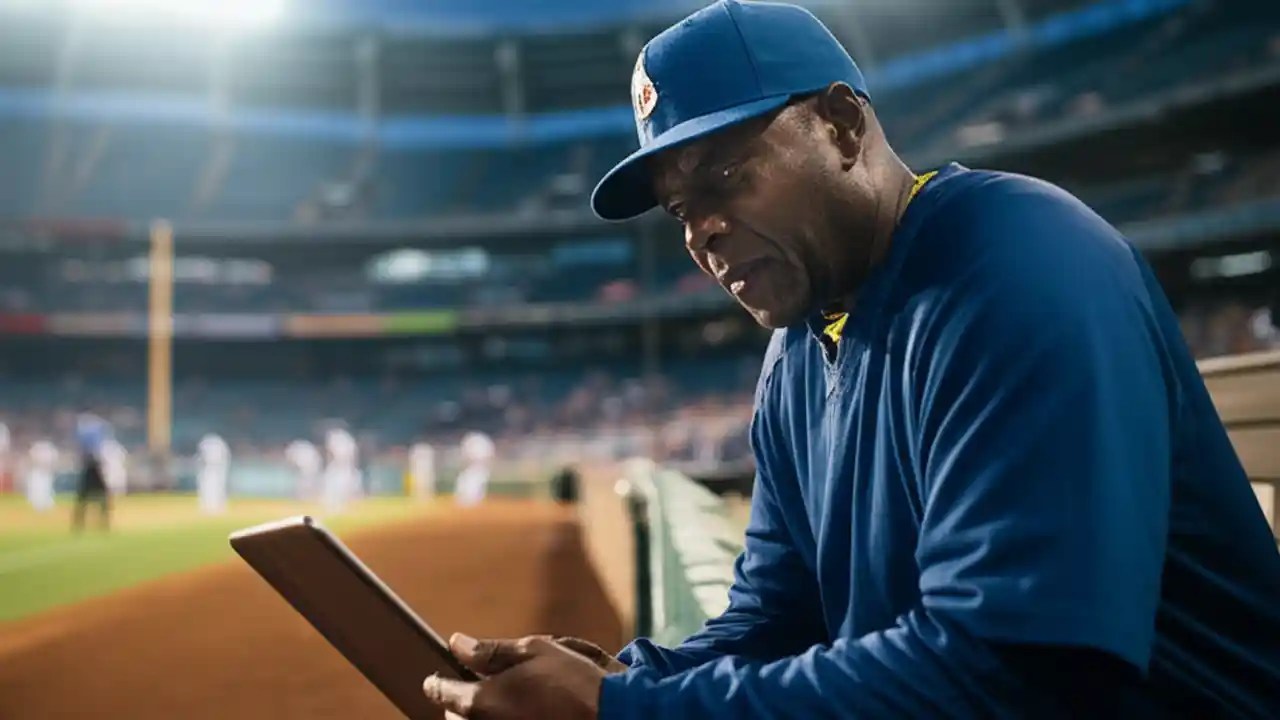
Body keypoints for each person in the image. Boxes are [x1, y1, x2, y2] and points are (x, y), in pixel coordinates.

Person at [421, 2, 1280, 719]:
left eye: (724, 176)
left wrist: (630, 714)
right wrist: (629, 680)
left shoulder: (1020, 265)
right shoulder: (795, 353)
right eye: (680, 211)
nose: (700, 233)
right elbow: (776, 619)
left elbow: (1025, 670)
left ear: (840, 124)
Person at [72, 413, 111, 533]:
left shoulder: (84, 430)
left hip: (89, 467)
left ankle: (80, 524)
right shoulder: (96, 431)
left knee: (83, 499)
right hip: (94, 467)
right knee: (101, 497)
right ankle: (102, 523)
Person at [322, 428, 360, 514]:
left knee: (340, 489)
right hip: (341, 467)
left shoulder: (341, 441)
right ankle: (335, 508)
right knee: (333, 488)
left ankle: (337, 508)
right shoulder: (349, 441)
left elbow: (335, 455)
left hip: (343, 468)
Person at [453, 431, 494, 508]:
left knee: (475, 485)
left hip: (480, 469)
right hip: (473, 469)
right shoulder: (465, 475)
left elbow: (488, 457)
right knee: (464, 482)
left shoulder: (480, 442)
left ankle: (472, 504)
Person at [196, 433, 230, 515]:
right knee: (210, 488)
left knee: (216, 488)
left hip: (216, 469)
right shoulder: (217, 444)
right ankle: (210, 506)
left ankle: (215, 506)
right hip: (209, 469)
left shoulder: (214, 444)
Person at [25, 439, 59, 512]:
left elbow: (39, 461)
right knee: (41, 488)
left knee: (44, 488)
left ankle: (44, 504)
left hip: (43, 471)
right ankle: (41, 504)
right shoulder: (41, 449)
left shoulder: (37, 449)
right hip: (41, 471)